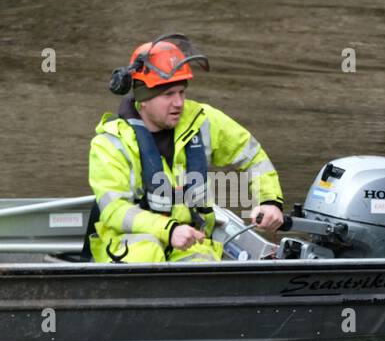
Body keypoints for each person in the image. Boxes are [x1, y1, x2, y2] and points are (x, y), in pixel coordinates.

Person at [87, 33, 284, 263]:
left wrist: (270, 201)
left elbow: (252, 155)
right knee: (146, 252)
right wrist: (168, 230)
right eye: (168, 94)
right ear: (144, 99)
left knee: (204, 262)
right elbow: (114, 210)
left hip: (191, 238)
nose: (179, 103)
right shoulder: (110, 143)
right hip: (130, 243)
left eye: (182, 92)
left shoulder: (203, 120)